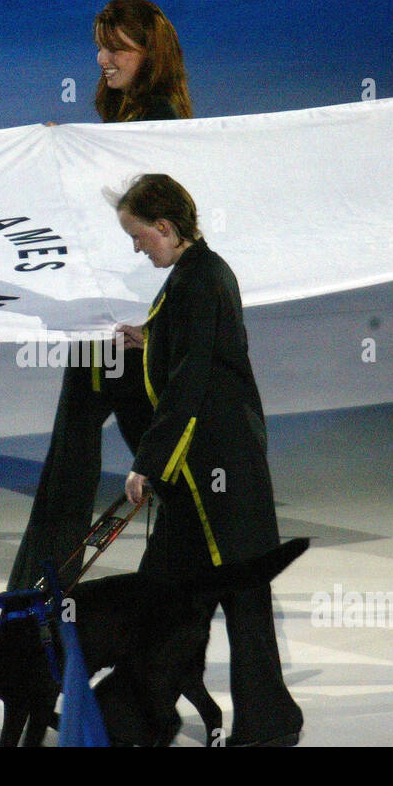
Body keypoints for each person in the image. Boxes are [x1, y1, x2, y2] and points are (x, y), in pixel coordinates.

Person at [7, 0, 192, 590]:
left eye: (118, 49)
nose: (103, 59)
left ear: (149, 56)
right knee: (138, 452)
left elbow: (142, 211)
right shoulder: (129, 113)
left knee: (74, 459)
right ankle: (199, 562)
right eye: (100, 45)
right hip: (121, 315)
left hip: (118, 318)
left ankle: (43, 587)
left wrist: (75, 160)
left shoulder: (155, 116)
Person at [116, 174, 303, 745]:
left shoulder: (198, 280)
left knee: (241, 600)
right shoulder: (200, 272)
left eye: (139, 236)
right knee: (162, 597)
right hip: (205, 477)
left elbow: (192, 380)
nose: (136, 247)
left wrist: (147, 461)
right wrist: (155, 339)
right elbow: (203, 347)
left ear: (167, 228)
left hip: (219, 470)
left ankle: (269, 726)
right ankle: (139, 715)